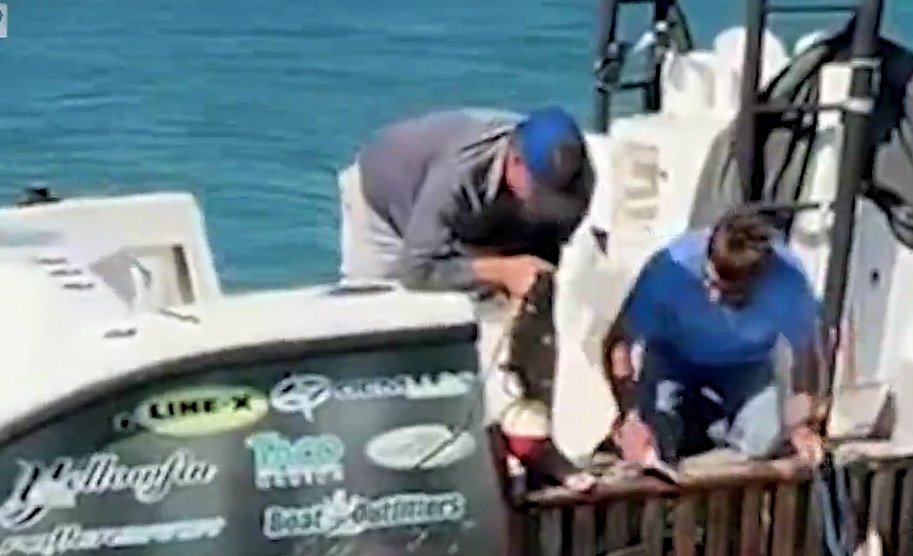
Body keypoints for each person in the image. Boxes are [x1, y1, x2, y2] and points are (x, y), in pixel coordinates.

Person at [601, 209, 825, 471]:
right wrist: (630, 415)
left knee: (764, 443)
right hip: (672, 360)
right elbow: (619, 343)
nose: (715, 299)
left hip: (747, 364)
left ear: (762, 280)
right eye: (709, 282)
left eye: (732, 294)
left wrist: (803, 424)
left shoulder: (789, 281)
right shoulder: (670, 267)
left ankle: (705, 425)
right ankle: (692, 423)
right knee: (656, 444)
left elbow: (808, 354)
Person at [338, 106, 595, 299]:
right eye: (542, 194)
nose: (549, 207)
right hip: (385, 198)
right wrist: (504, 271)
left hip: (477, 215)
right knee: (386, 302)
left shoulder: (579, 175)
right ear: (515, 162)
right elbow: (416, 270)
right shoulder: (459, 171)